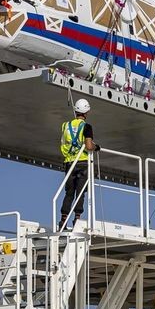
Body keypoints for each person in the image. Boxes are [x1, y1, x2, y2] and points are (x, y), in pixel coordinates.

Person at [59, 98, 98, 229]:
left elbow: (63, 142)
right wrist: (96, 147)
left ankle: (63, 221)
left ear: (76, 111)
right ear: (86, 112)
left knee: (69, 192)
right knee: (80, 192)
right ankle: (77, 220)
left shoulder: (65, 125)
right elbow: (88, 145)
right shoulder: (87, 127)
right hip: (82, 163)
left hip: (69, 162)